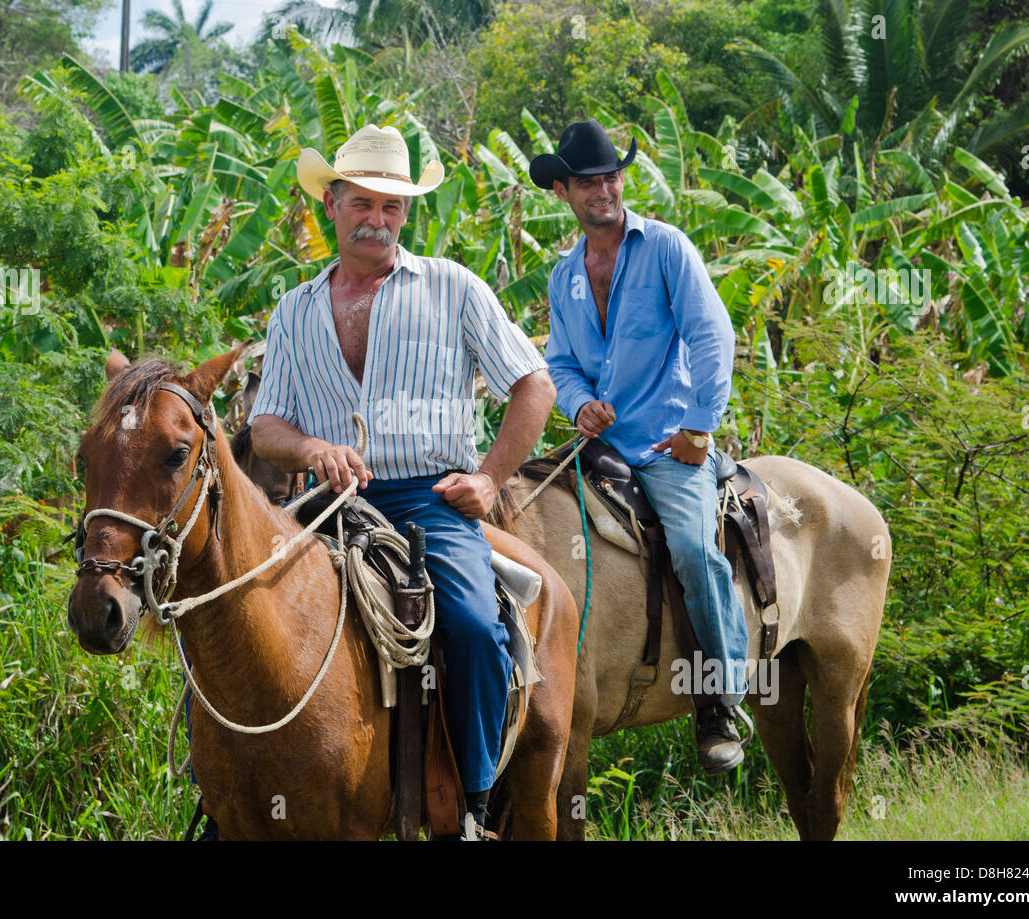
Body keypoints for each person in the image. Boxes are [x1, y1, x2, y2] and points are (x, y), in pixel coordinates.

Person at [249, 124, 556, 832]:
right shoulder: (295, 309)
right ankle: (228, 791)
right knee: (234, 607)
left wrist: (487, 479)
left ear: (405, 215)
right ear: (331, 203)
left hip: (430, 499)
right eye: (363, 203)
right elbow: (266, 426)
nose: (377, 220)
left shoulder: (452, 287)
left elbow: (532, 384)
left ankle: (475, 805)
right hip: (327, 502)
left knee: (478, 627)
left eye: (392, 207)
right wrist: (313, 447)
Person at [531, 118, 748, 773]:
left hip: (666, 443)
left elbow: (713, 335)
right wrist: (577, 402)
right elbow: (560, 362)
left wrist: (700, 428)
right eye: (589, 181)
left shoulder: (666, 248)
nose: (604, 189)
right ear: (564, 191)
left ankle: (720, 699)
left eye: (612, 176)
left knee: (690, 547)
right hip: (596, 446)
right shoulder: (563, 276)